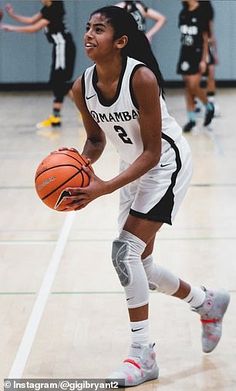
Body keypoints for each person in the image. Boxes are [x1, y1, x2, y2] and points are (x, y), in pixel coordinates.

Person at [56, 6, 230, 387]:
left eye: (98, 29)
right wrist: (78, 169)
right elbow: (97, 139)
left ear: (120, 42)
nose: (88, 34)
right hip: (134, 169)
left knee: (124, 253)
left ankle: (142, 356)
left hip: (166, 165)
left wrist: (103, 187)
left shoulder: (142, 78)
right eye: (87, 27)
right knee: (141, 269)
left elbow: (153, 152)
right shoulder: (80, 86)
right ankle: (206, 301)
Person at [0, 0, 76, 129]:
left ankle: (66, 115)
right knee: (59, 82)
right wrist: (13, 15)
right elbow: (31, 20)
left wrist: (11, 28)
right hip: (59, 47)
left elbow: (34, 28)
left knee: (59, 81)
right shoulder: (47, 8)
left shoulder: (55, 8)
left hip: (63, 47)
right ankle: (65, 115)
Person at [177, 0, 215, 132]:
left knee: (194, 85)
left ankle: (208, 105)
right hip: (185, 52)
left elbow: (205, 37)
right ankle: (191, 119)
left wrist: (204, 59)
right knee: (188, 87)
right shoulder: (183, 12)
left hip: (198, 53)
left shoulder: (201, 10)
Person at [198, 0, 220, 116]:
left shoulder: (207, 8)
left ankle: (211, 102)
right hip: (195, 48)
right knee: (196, 76)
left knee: (210, 72)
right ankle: (197, 103)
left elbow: (211, 32)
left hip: (207, 46)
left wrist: (215, 53)